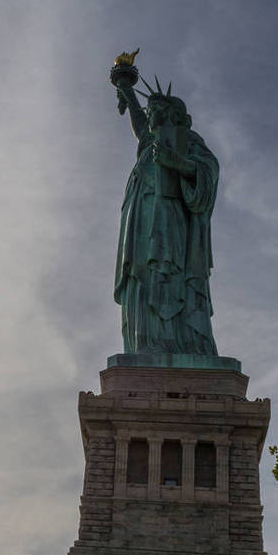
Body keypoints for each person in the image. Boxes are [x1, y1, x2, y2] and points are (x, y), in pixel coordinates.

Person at [113, 78, 218, 356]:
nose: (150, 114)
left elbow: (208, 170)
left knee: (169, 274)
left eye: (155, 109)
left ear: (172, 113)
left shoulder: (186, 140)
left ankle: (182, 344)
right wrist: (126, 90)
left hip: (170, 218)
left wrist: (178, 163)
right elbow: (138, 125)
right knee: (143, 278)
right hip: (140, 220)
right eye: (149, 111)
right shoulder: (150, 143)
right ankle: (147, 344)